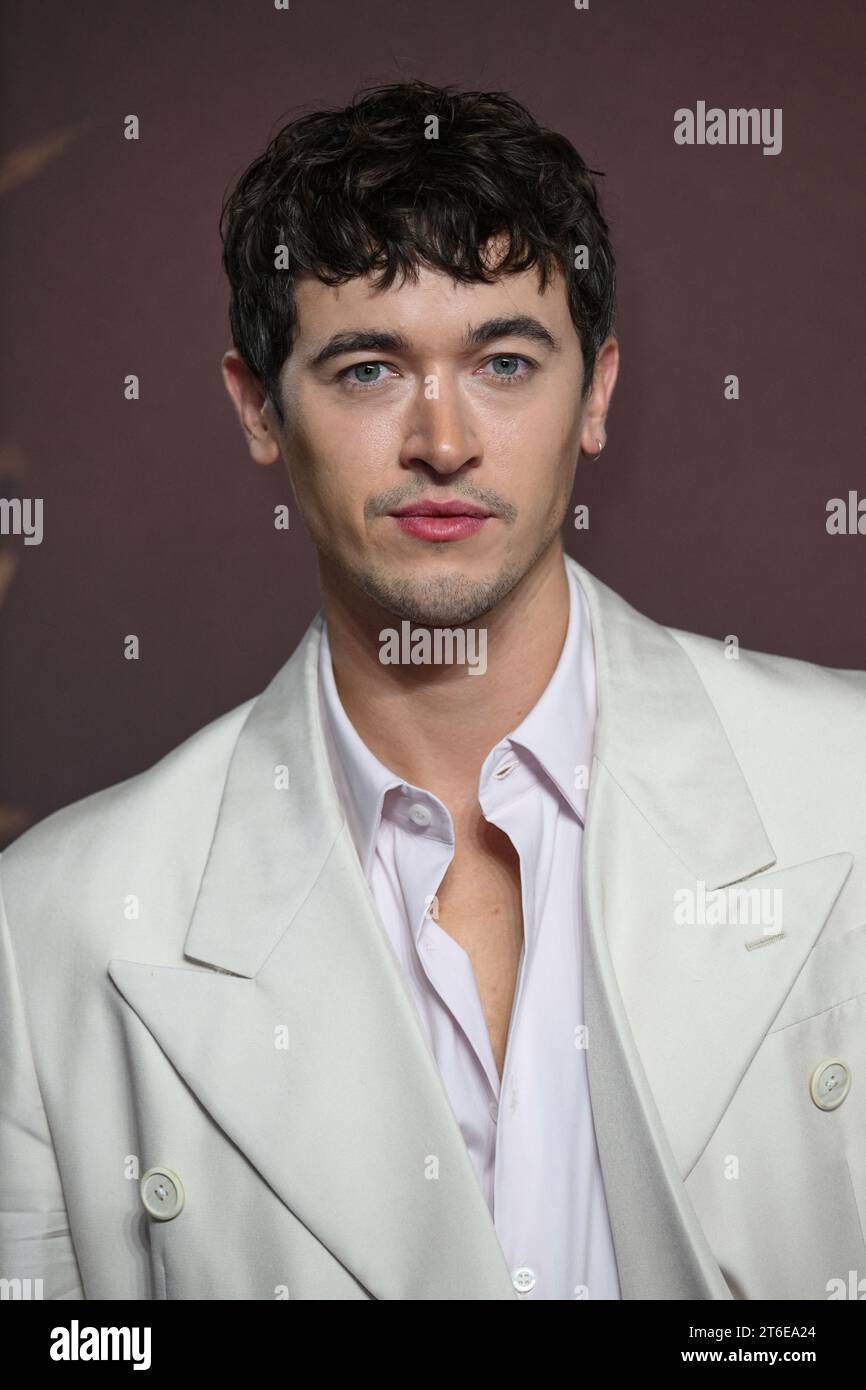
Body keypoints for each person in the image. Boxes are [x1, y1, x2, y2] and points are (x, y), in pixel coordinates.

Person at [1, 79, 864, 1303]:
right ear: (257, 408)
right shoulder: (47, 935)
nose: (442, 439)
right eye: (366, 370)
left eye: (504, 360)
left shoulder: (849, 790)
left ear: (598, 391)